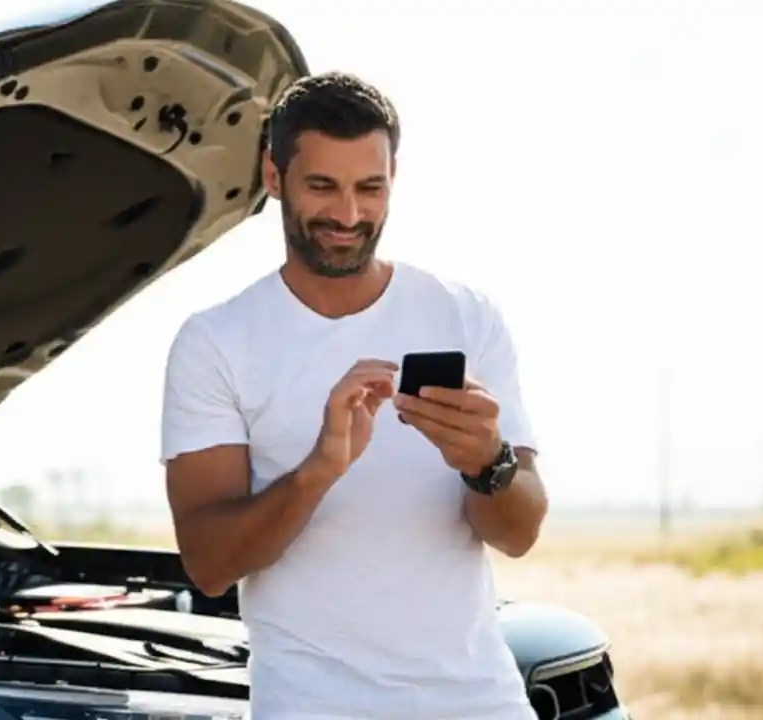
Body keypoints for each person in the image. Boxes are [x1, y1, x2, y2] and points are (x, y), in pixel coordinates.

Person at [159, 71, 548, 720]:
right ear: (274, 176)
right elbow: (209, 564)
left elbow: (519, 533)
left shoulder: (464, 315)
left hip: (480, 704)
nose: (348, 214)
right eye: (322, 187)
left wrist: (488, 463)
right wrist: (318, 471)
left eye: (370, 188)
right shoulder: (217, 343)